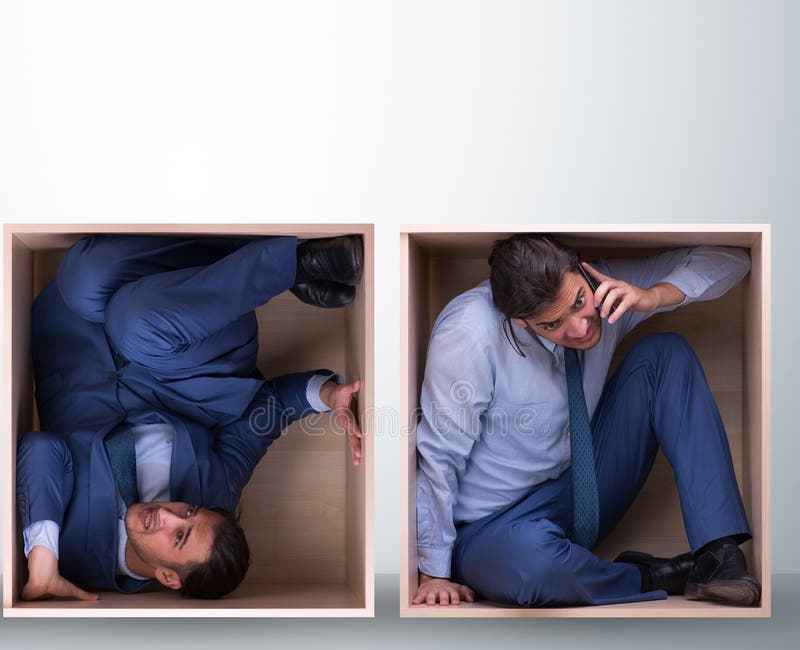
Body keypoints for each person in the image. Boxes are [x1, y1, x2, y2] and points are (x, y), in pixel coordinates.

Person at [414, 234, 761, 608]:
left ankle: (717, 557)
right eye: (552, 324)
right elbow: (438, 456)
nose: (580, 328)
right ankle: (659, 575)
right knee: (536, 568)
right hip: (496, 530)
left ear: (581, 269)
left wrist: (652, 296)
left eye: (579, 302)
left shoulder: (604, 287)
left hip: (582, 490)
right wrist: (434, 573)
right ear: (522, 322)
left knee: (666, 356)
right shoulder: (469, 335)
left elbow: (732, 259)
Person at [16, 233, 364, 601]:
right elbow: (273, 406)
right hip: (187, 357)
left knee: (82, 275)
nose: (169, 514)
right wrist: (328, 395)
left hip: (75, 342)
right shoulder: (218, 495)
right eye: (190, 511)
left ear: (168, 577)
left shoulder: (70, 559)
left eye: (178, 536)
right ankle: (293, 265)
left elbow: (41, 448)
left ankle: (260, 262)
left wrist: (42, 558)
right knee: (133, 323)